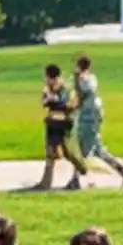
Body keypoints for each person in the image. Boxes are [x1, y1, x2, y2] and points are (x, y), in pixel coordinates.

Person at [73, 55, 123, 188]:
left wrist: (77, 82)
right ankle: (121, 169)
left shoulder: (84, 80)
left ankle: (75, 180)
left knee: (82, 151)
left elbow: (83, 95)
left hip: (88, 118)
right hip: (91, 116)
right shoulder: (92, 78)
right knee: (98, 151)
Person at [31, 63, 88, 191]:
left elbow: (70, 105)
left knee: (68, 153)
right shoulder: (47, 88)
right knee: (50, 153)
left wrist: (55, 103)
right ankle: (45, 183)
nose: (45, 79)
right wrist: (53, 102)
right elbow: (45, 103)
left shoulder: (65, 88)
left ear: (51, 76)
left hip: (63, 124)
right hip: (52, 122)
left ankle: (82, 169)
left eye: (46, 76)